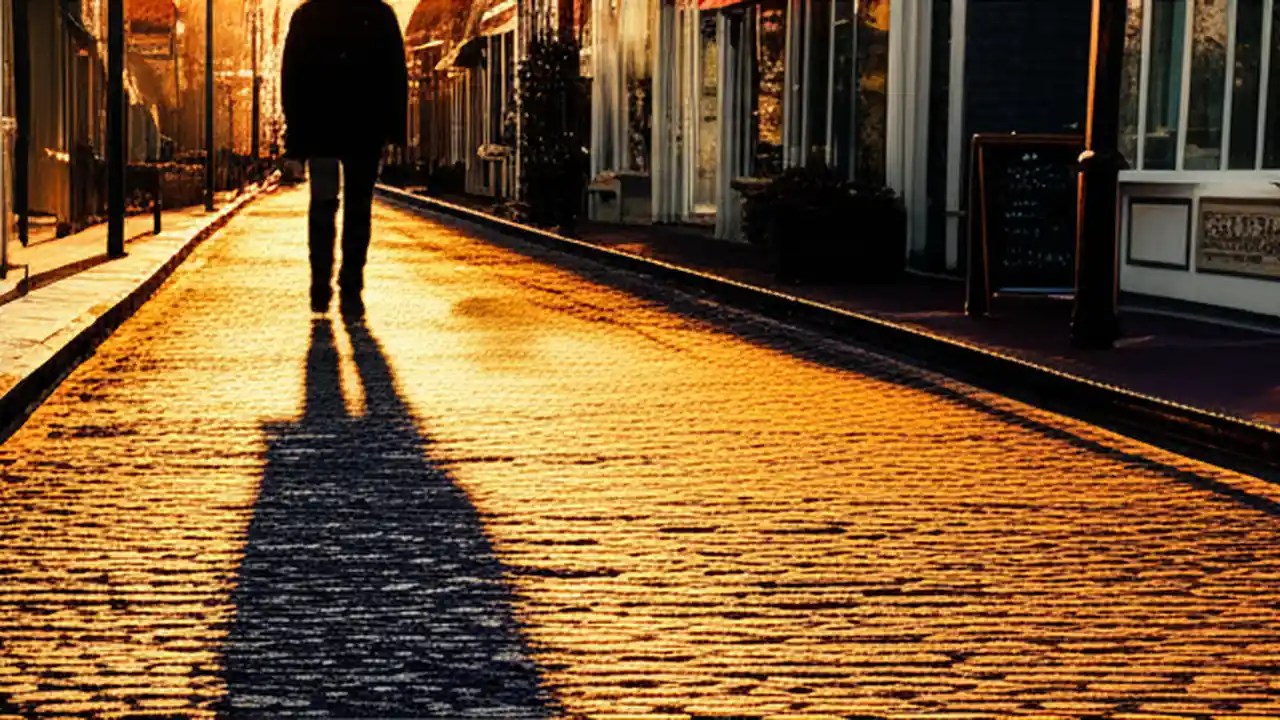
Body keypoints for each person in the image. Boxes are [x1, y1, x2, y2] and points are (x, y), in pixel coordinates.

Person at [281, 0, 407, 314]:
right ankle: (351, 287)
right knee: (358, 210)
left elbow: (291, 81)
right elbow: (396, 77)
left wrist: (295, 141)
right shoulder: (379, 15)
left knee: (324, 206)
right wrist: (394, 132)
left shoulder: (308, 16)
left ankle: (320, 286)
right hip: (365, 132)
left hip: (321, 132)